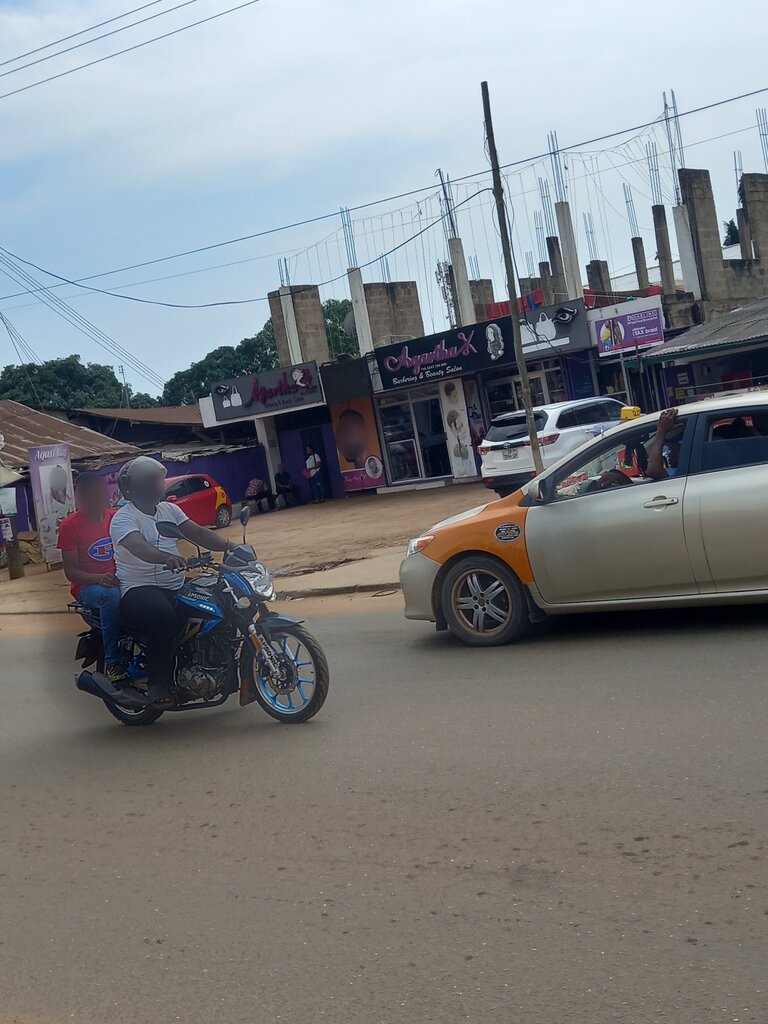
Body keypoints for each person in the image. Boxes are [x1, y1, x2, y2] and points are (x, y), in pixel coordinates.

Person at [110, 456, 233, 703]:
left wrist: (231, 546)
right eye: (149, 481)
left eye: (157, 480)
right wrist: (167, 558)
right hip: (138, 589)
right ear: (131, 488)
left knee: (218, 603)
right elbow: (139, 547)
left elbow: (196, 532)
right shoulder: (123, 518)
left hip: (174, 584)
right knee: (164, 616)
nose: (156, 485)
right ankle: (158, 683)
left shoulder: (169, 509)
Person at [58, 473, 127, 684]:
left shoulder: (115, 517)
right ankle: (113, 661)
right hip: (87, 587)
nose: (93, 501)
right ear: (78, 498)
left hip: (117, 579)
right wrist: (99, 579)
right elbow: (71, 572)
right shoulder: (69, 527)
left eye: (97, 495)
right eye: (87, 496)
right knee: (110, 596)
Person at [646, 408, 685, 481]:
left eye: (673, 450)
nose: (669, 455)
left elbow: (654, 472)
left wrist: (661, 431)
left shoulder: (680, 472)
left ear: (682, 450)